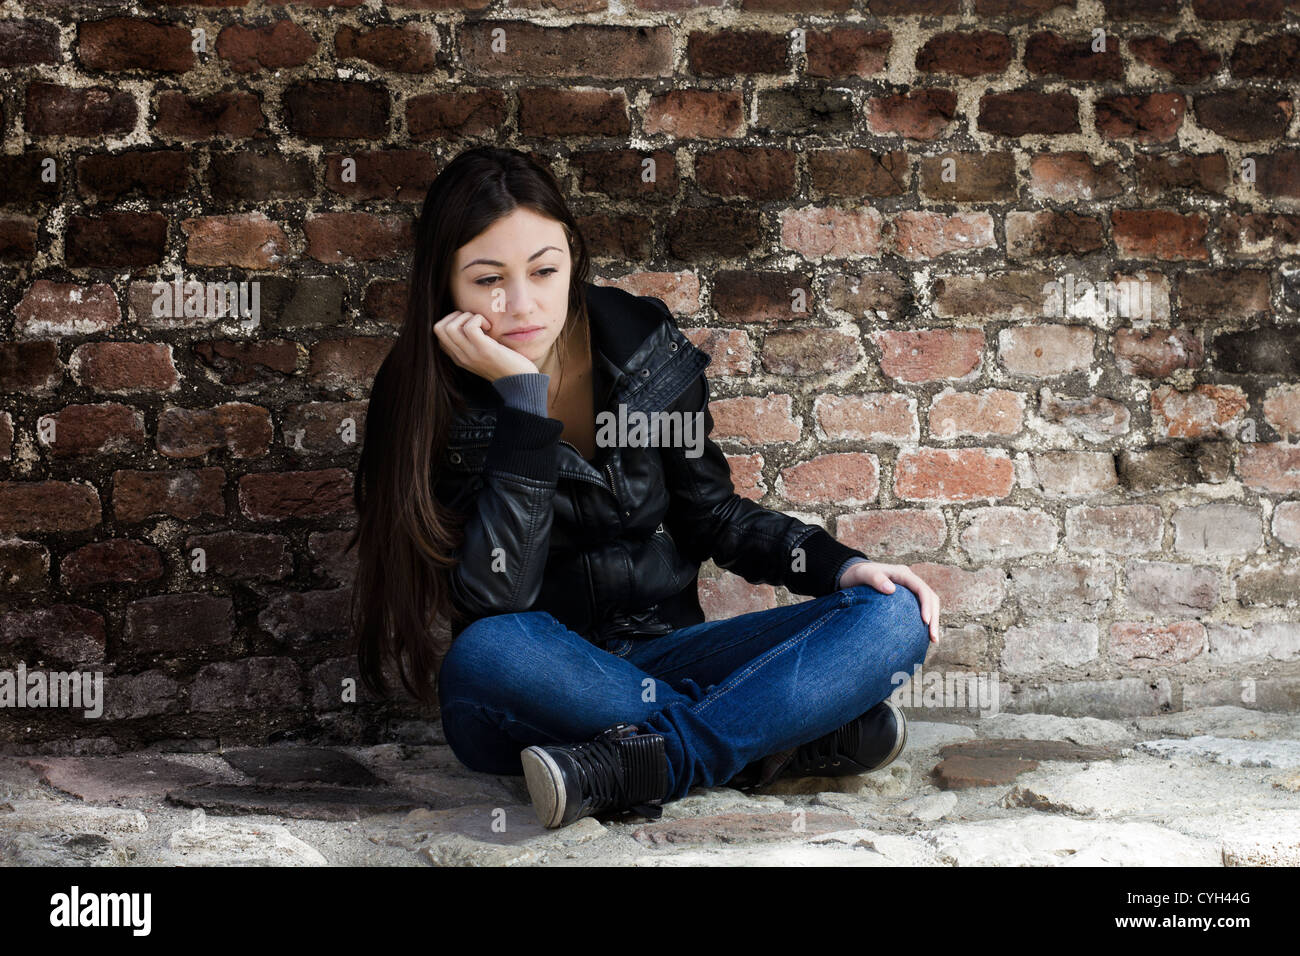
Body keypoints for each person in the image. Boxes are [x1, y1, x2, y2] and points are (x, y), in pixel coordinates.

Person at [348, 145, 941, 830]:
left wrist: (844, 566)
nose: (523, 304)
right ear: (445, 286)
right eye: (487, 281)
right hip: (537, 676)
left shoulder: (637, 343)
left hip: (667, 652)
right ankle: (772, 736)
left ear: (571, 253)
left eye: (544, 270)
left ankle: (651, 760)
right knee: (487, 650)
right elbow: (497, 599)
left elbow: (714, 518)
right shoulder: (424, 394)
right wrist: (522, 404)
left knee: (891, 613)